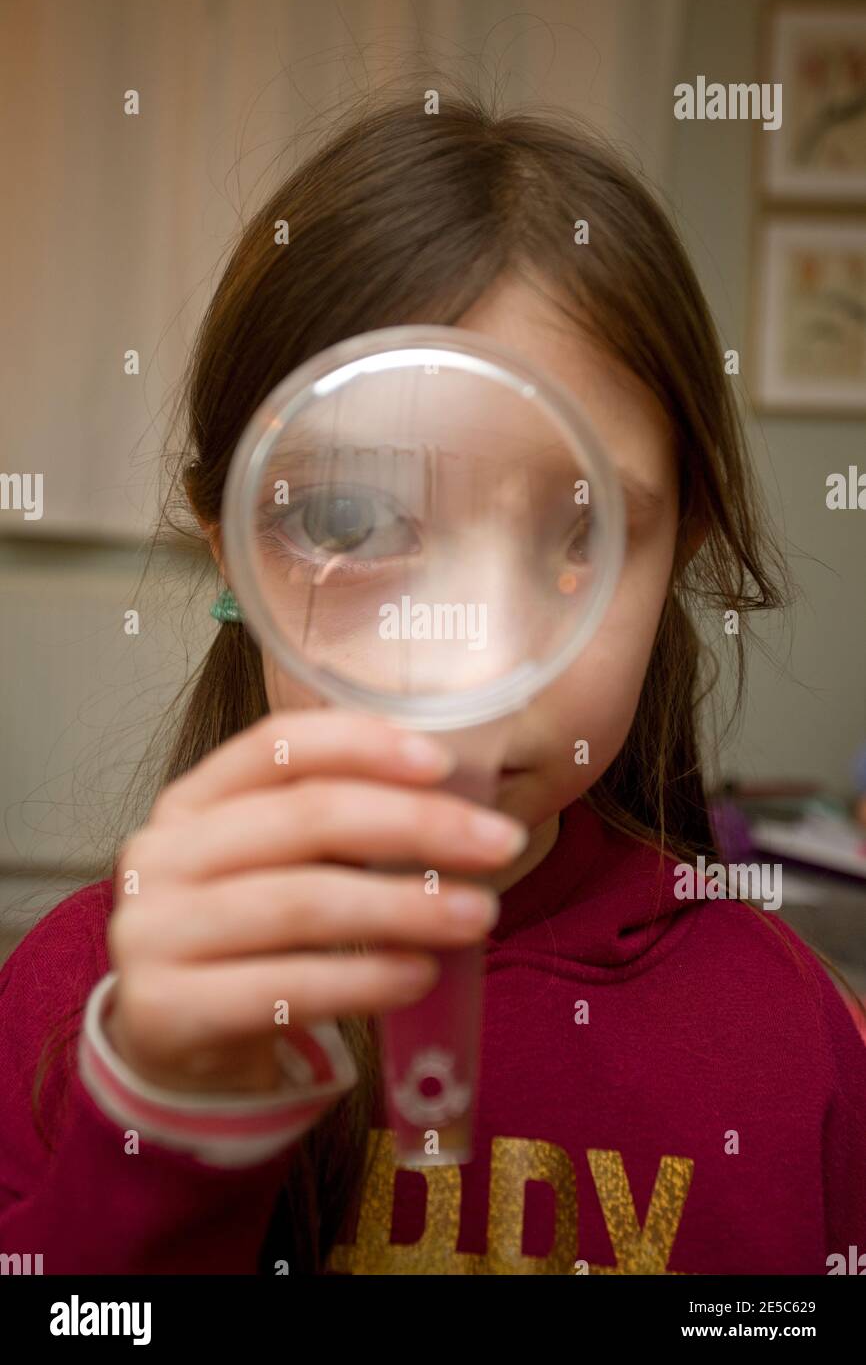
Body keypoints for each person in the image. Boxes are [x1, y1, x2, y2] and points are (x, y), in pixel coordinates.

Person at [2, 94, 864, 1276]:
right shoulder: (70, 995)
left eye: (580, 526)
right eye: (348, 518)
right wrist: (167, 1129)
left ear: (673, 556)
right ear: (231, 556)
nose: (467, 653)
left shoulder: (786, 1033)